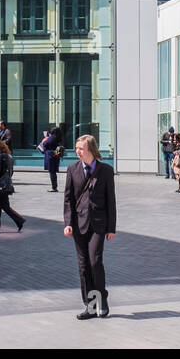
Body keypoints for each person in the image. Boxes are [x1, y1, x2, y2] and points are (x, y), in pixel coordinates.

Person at [63, 134, 115, 319]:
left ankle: (103, 299)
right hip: (78, 225)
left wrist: (111, 228)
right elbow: (68, 199)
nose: (78, 151)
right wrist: (68, 223)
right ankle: (91, 306)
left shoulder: (106, 171)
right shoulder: (72, 169)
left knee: (95, 262)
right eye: (76, 148)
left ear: (91, 150)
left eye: (81, 148)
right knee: (83, 266)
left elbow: (111, 201)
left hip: (99, 225)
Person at [0, 140, 25, 232]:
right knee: (0, 205)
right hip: (6, 184)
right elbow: (11, 172)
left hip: (0, 185)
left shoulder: (0, 157)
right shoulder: (9, 157)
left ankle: (19, 220)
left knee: (3, 206)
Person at [39, 127, 60, 192]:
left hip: (51, 156)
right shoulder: (59, 138)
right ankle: (54, 186)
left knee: (52, 172)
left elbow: (45, 143)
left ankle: (54, 187)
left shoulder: (52, 137)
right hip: (55, 155)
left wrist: (46, 138)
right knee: (53, 172)